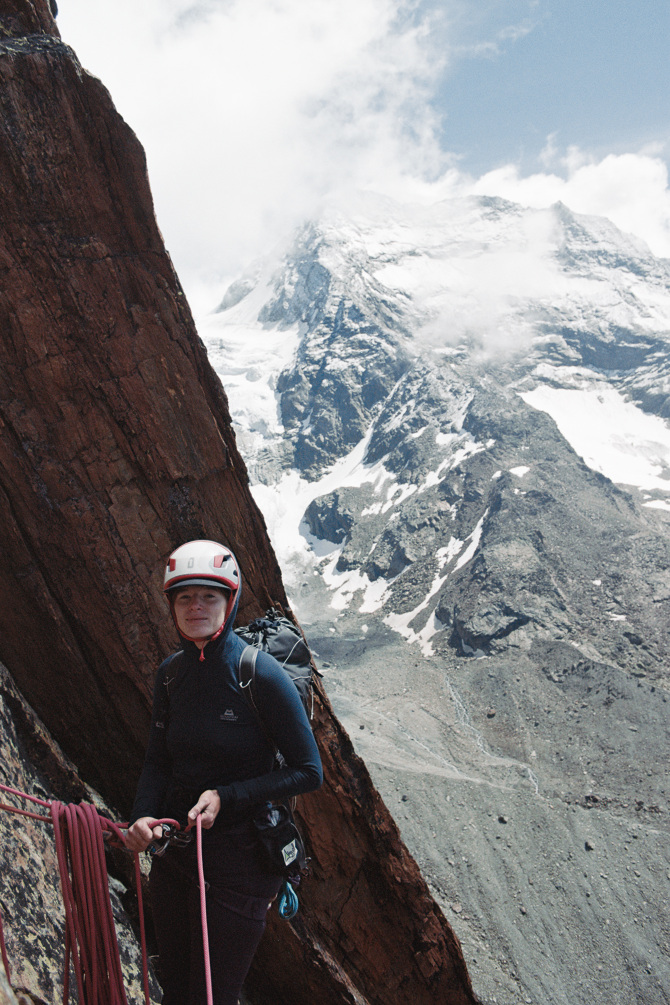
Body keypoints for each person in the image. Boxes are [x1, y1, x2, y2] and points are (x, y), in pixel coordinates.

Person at [126, 539, 323, 1005]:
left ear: (229, 602)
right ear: (172, 605)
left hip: (242, 861)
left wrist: (226, 796)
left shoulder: (260, 674)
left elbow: (308, 771)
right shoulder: (172, 675)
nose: (196, 607)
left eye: (208, 596)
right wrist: (141, 818)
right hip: (177, 856)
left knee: (212, 995)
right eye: (184, 597)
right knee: (174, 988)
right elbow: (158, 761)